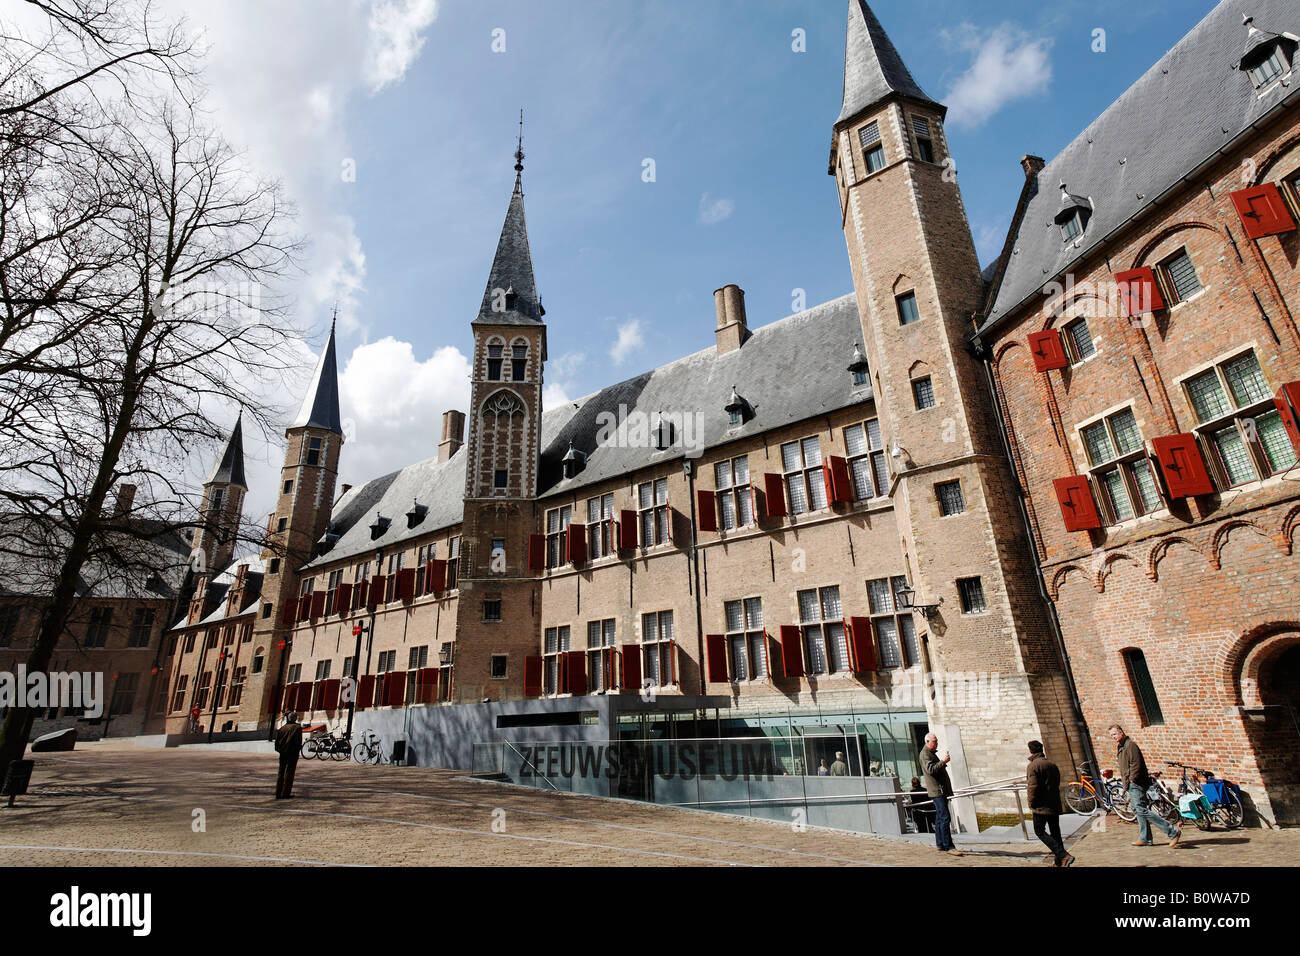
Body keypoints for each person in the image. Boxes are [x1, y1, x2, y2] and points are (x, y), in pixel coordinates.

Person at [1110, 724, 1180, 848]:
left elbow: (1136, 765)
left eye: (1115, 734)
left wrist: (1132, 780)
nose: (1113, 737)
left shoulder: (1130, 745)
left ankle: (1172, 831)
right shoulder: (1121, 747)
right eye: (1111, 735)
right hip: (1131, 783)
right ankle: (1145, 838)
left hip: (1137, 783)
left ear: (1121, 732)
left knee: (1141, 809)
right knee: (1138, 810)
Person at [1026, 740, 1073, 867]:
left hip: (1041, 805)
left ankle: (1063, 855)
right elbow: (1057, 781)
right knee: (1055, 832)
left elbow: (1033, 787)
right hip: (1054, 802)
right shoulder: (1052, 764)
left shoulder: (1033, 766)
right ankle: (1059, 862)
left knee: (1039, 831)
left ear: (1030, 750)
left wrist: (1031, 803)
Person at [919, 731, 962, 856]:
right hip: (937, 791)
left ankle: (940, 843)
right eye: (934, 741)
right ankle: (949, 846)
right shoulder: (925, 754)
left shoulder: (930, 753)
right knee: (945, 817)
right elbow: (930, 770)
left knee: (939, 817)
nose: (936, 743)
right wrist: (944, 761)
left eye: (936, 741)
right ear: (927, 742)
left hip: (939, 790)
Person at [274, 711, 303, 800]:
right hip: (292, 753)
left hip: (283, 752)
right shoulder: (297, 728)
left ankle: (278, 792)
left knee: (281, 772)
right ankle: (286, 793)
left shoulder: (282, 728)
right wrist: (297, 750)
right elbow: (298, 742)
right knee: (289, 773)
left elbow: (276, 743)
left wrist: (280, 750)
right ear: (295, 718)